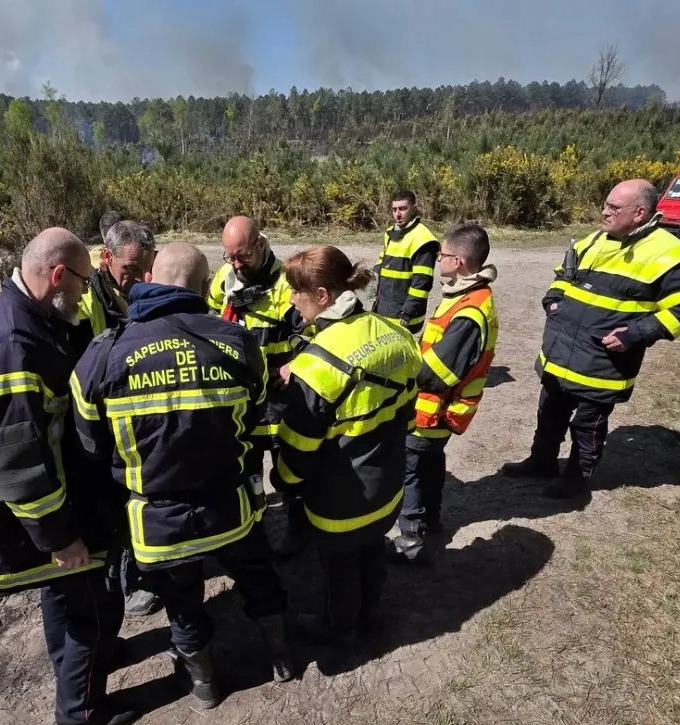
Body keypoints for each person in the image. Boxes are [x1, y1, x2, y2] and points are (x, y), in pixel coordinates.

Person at [71, 242, 293, 710]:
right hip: (232, 509)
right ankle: (282, 659)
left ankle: (205, 686)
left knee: (184, 604)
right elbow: (255, 419)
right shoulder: (238, 343)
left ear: (151, 274)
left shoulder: (104, 354)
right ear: (204, 284)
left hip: (157, 525)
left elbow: (89, 442)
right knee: (259, 578)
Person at [0, 227, 137, 725]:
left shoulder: (26, 316)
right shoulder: (13, 342)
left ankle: (96, 657)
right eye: (80, 283)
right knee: (85, 600)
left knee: (67, 597)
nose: (83, 294)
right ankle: (79, 711)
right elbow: (13, 459)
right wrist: (58, 535)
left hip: (59, 503)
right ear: (57, 276)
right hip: (48, 517)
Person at [502, 179, 680, 497]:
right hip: (561, 354)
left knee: (587, 426)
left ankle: (575, 479)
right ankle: (541, 463)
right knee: (549, 414)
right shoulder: (596, 240)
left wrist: (635, 334)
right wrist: (553, 300)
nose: (604, 212)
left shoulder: (668, 254)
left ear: (640, 213)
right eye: (605, 204)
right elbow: (563, 275)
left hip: (603, 365)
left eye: (613, 207)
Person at [270, 246, 421, 654]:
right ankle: (371, 619)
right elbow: (407, 412)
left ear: (321, 295)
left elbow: (298, 449)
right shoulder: (397, 333)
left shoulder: (316, 367)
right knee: (372, 551)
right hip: (388, 483)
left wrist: (281, 479)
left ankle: (340, 630)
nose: (289, 300)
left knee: (339, 568)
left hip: (340, 499)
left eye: (294, 292)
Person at [387, 223, 499, 564]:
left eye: (443, 255)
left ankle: (410, 539)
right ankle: (430, 521)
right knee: (431, 463)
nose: (438, 259)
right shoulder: (465, 296)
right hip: (439, 411)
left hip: (431, 409)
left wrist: (396, 367)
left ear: (461, 261)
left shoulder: (469, 311)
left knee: (413, 469)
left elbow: (436, 374)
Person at [75, 219, 162, 618]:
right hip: (102, 417)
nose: (141, 279)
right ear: (107, 258)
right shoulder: (86, 301)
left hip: (134, 412)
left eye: (147, 269)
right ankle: (129, 582)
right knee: (115, 503)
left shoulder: (134, 285)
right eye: (130, 270)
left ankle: (141, 570)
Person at [208, 216, 308, 555]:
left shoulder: (287, 284)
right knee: (247, 475)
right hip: (240, 403)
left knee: (290, 472)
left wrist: (298, 362)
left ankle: (298, 532)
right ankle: (255, 536)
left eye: (243, 256)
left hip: (280, 401)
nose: (236, 264)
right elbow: (208, 322)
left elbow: (314, 333)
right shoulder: (224, 279)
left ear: (261, 245)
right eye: (230, 257)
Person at [372, 190, 440, 335]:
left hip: (404, 317)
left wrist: (407, 312)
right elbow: (383, 261)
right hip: (385, 310)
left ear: (414, 209)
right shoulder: (390, 233)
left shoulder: (423, 239)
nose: (398, 214)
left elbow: (422, 283)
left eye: (403, 209)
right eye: (394, 209)